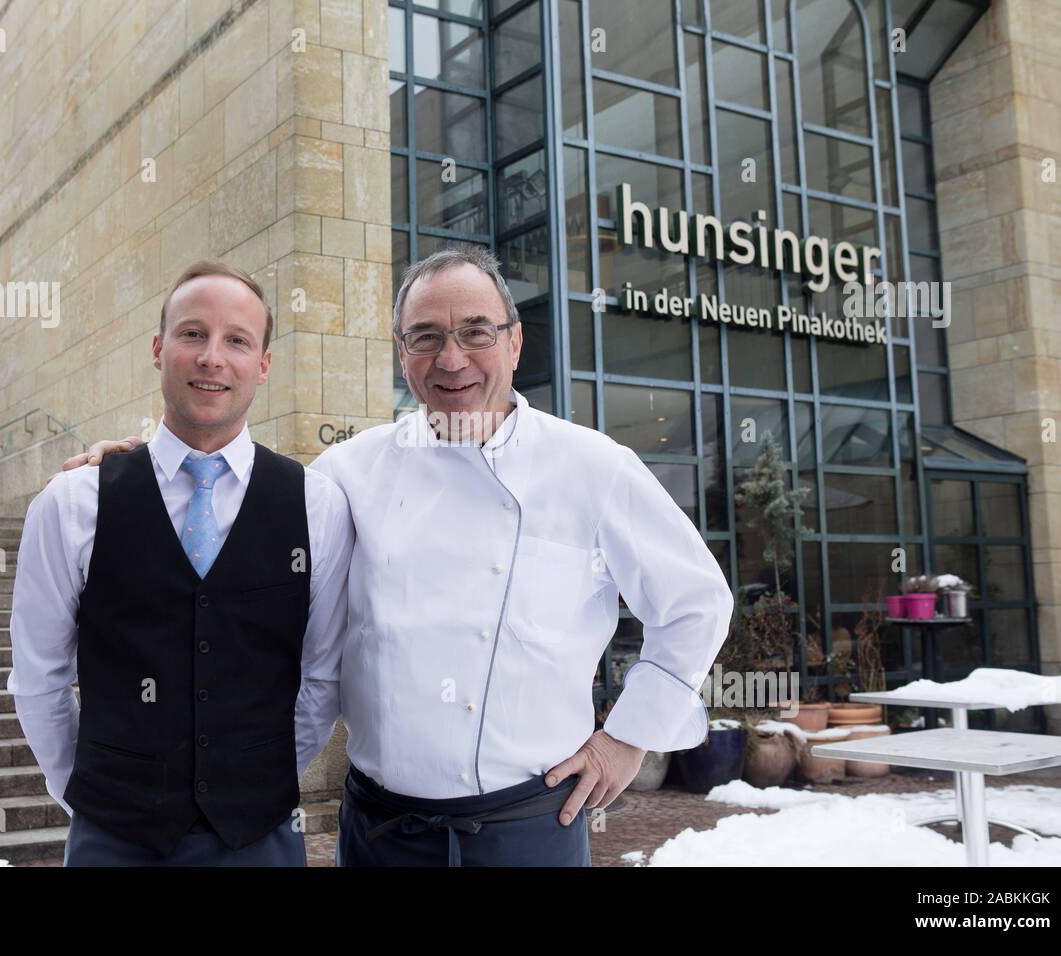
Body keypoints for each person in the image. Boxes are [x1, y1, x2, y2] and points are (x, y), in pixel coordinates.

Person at [67, 247, 732, 866]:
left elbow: (696, 602)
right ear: (400, 352)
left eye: (476, 331)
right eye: (426, 337)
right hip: (382, 833)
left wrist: (625, 739)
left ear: (514, 340)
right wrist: (143, 471)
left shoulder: (593, 467)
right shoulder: (349, 472)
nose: (452, 359)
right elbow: (235, 493)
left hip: (528, 828)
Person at [9, 260, 353, 866]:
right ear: (158, 348)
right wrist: (89, 797)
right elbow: (39, 678)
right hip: (113, 840)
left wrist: (252, 785)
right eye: (192, 333)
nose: (212, 357)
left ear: (264, 365)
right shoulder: (73, 502)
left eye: (237, 340)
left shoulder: (317, 505)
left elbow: (321, 679)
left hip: (259, 840)